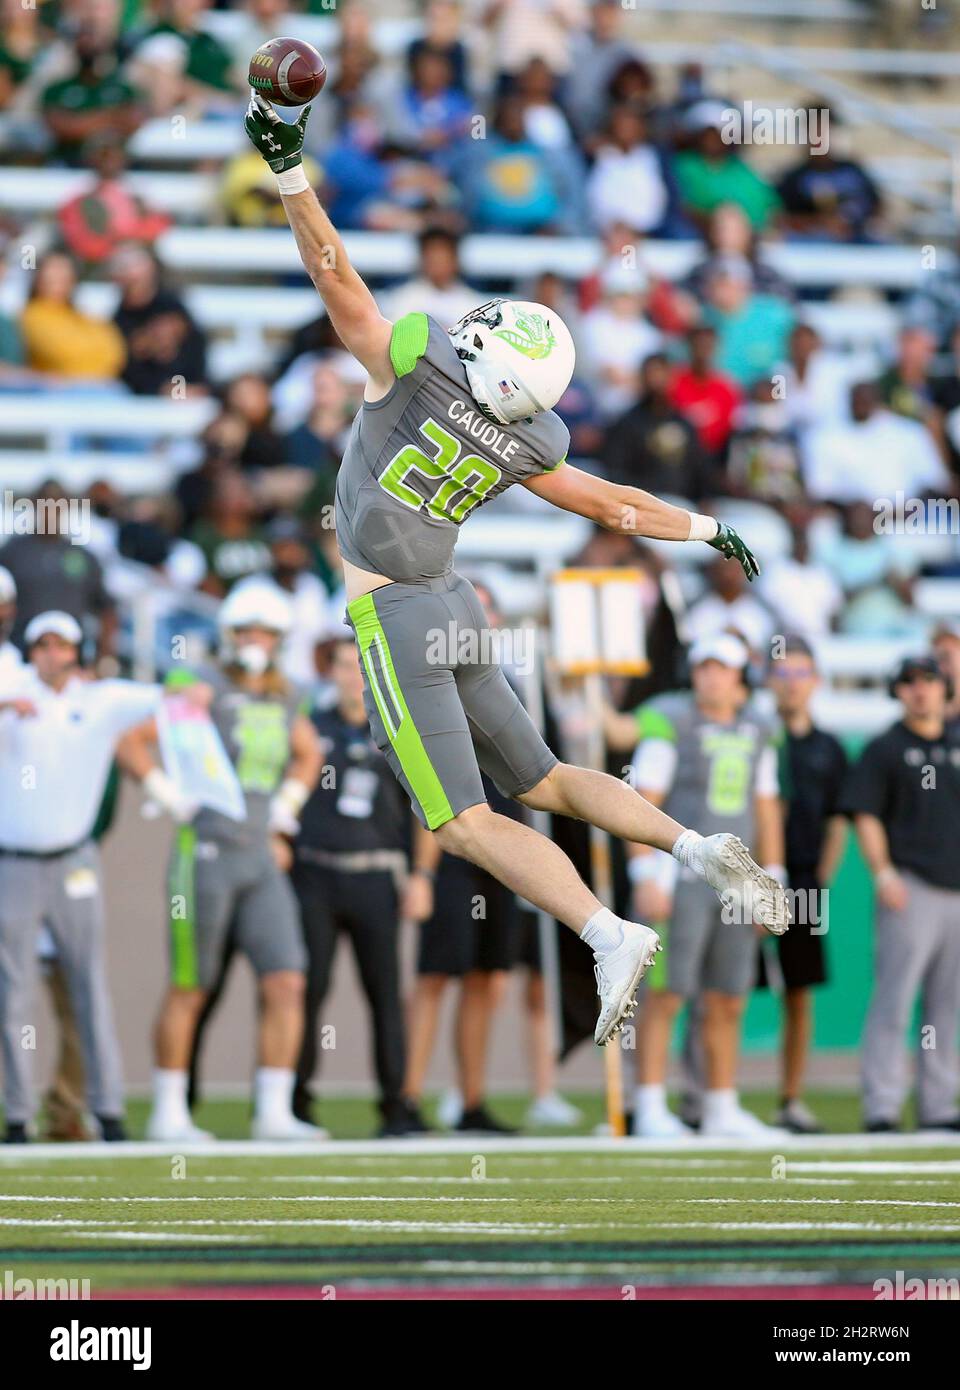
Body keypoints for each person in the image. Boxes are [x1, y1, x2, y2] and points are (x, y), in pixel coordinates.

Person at [242, 92, 789, 1052]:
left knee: (460, 822)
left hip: (395, 615)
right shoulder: (530, 438)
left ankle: (607, 931)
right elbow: (611, 503)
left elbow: (335, 275)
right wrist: (704, 526)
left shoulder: (409, 370)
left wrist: (289, 169)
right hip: (457, 604)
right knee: (543, 777)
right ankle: (697, 847)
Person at [121, 583, 324, 1141]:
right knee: (192, 984)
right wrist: (167, 793)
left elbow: (310, 752)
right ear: (229, 634)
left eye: (266, 633)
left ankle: (274, 1112)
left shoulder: (287, 694)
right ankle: (168, 1113)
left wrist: (287, 809)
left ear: (280, 640)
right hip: (206, 850)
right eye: (247, 631)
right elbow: (134, 743)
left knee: (286, 980)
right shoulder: (200, 683)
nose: (255, 641)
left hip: (260, 854)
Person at [0, 612, 181, 1143]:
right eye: (43, 645)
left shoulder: (101, 700)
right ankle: (16, 1114)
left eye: (62, 645)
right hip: (13, 862)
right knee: (13, 992)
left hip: (75, 860)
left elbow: (177, 696)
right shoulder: (9, 685)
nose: (52, 654)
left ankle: (107, 1110)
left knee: (88, 987)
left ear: (77, 651)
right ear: (31, 649)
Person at [604, 633, 787, 1138]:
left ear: (739, 677)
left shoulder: (759, 727)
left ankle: (721, 1105)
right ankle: (650, 1106)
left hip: (736, 881)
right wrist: (644, 873)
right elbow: (638, 802)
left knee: (729, 995)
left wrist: (773, 878)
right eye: (704, 666)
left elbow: (766, 806)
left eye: (721, 667)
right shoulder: (673, 721)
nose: (711, 675)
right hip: (679, 875)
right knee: (667, 994)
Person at [292, 636, 438, 1137]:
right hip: (314, 870)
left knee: (386, 994)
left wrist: (422, 876)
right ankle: (295, 1105)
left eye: (360, 667)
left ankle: (398, 1107)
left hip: (376, 874)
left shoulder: (396, 728)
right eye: (341, 666)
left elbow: (426, 811)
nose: (352, 676)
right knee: (307, 990)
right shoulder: (311, 725)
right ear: (329, 671)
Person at [844, 656, 960, 1132]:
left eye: (928, 680)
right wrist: (884, 873)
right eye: (909, 682)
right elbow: (865, 813)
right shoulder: (884, 749)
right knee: (895, 999)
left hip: (957, 890)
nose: (920, 690)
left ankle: (938, 1105)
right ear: (897, 691)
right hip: (910, 887)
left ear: (944, 688)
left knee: (947, 1006)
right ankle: (883, 1105)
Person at [767, 637, 848, 1133]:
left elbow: (839, 819)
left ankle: (790, 1098)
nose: (792, 684)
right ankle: (707, 1099)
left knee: (798, 992)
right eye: (783, 673)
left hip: (802, 881)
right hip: (748, 878)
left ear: (814, 681)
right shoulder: (758, 736)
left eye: (801, 674)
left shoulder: (829, 749)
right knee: (723, 990)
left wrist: (821, 880)